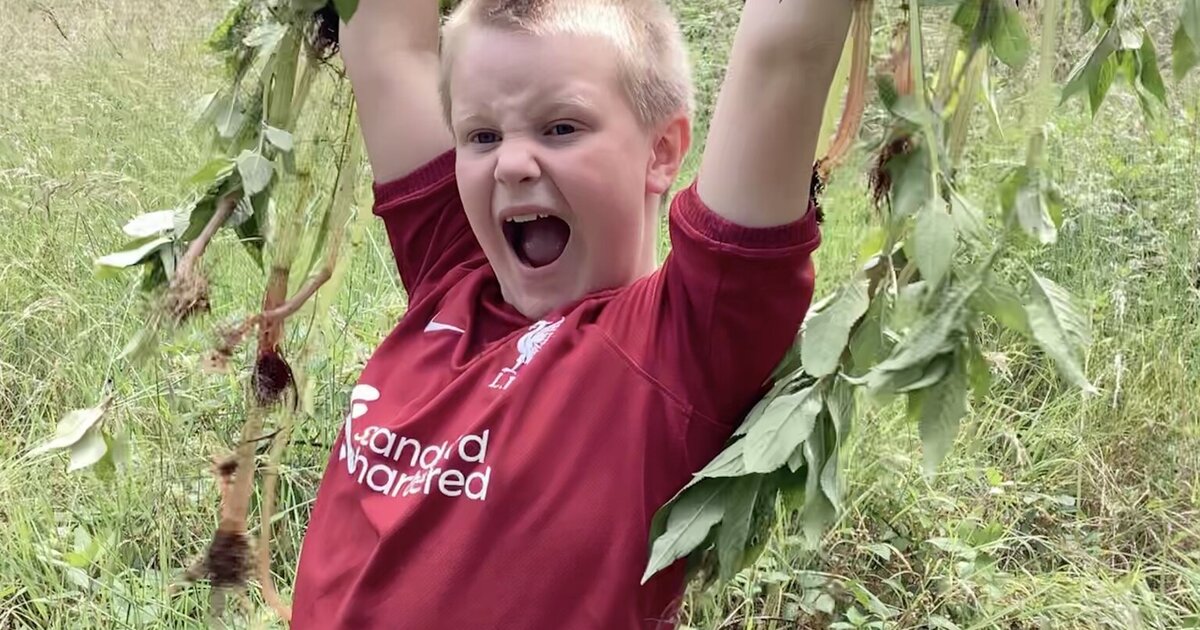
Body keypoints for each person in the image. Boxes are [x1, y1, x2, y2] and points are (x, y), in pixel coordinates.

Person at [289, 0, 851, 626]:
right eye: (481, 135)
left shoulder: (681, 343)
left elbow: (786, 52)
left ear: (661, 151)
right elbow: (384, 42)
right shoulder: (450, 269)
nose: (511, 163)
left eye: (561, 128)